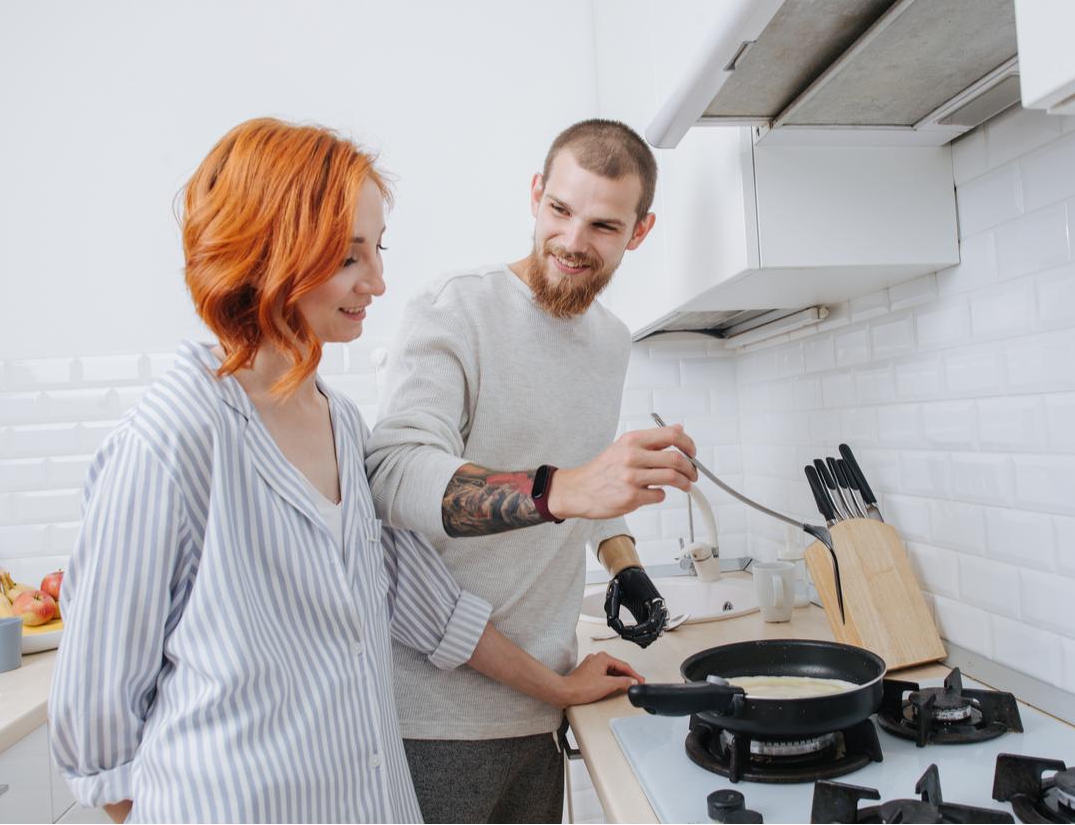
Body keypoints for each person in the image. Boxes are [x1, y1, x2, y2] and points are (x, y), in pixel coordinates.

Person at [47, 118, 641, 824]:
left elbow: (431, 609)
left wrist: (558, 685)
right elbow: (94, 726)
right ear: (273, 249)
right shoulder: (172, 436)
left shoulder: (340, 425)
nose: (380, 281)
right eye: (350, 256)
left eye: (377, 249)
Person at [365, 119, 697, 823]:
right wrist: (564, 488)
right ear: (536, 194)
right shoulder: (455, 308)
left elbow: (591, 483)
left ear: (639, 232)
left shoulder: (610, 341)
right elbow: (394, 474)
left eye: (604, 225)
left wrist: (624, 561)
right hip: (435, 715)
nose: (574, 242)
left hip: (543, 695)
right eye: (560, 210)